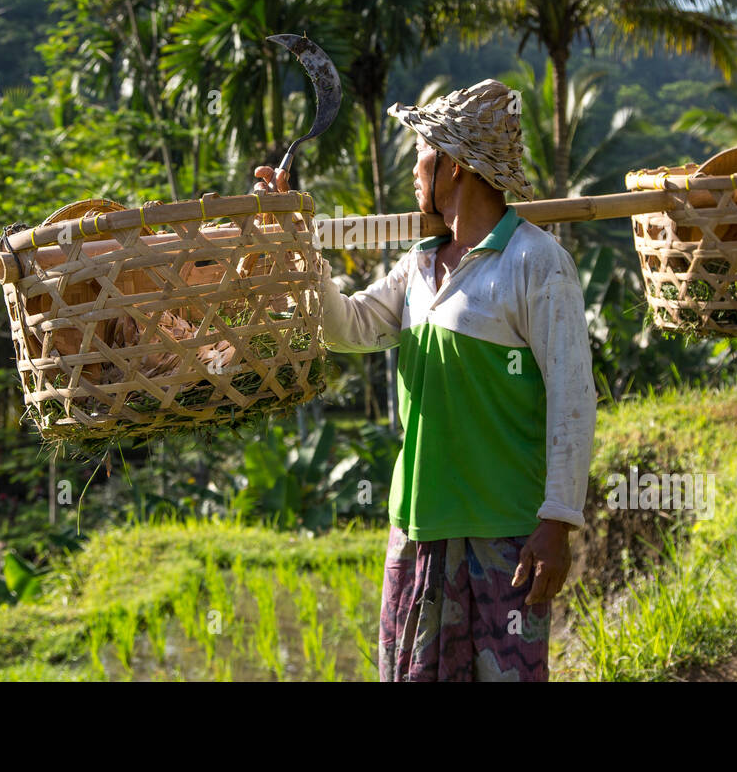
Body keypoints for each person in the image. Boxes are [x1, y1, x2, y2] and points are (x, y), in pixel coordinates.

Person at [255, 78, 597, 682]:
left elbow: (573, 398)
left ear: (456, 165)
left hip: (507, 535)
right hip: (417, 524)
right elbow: (349, 326)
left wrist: (558, 522)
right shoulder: (418, 265)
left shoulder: (536, 263)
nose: (413, 170)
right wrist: (296, 239)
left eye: (421, 152)